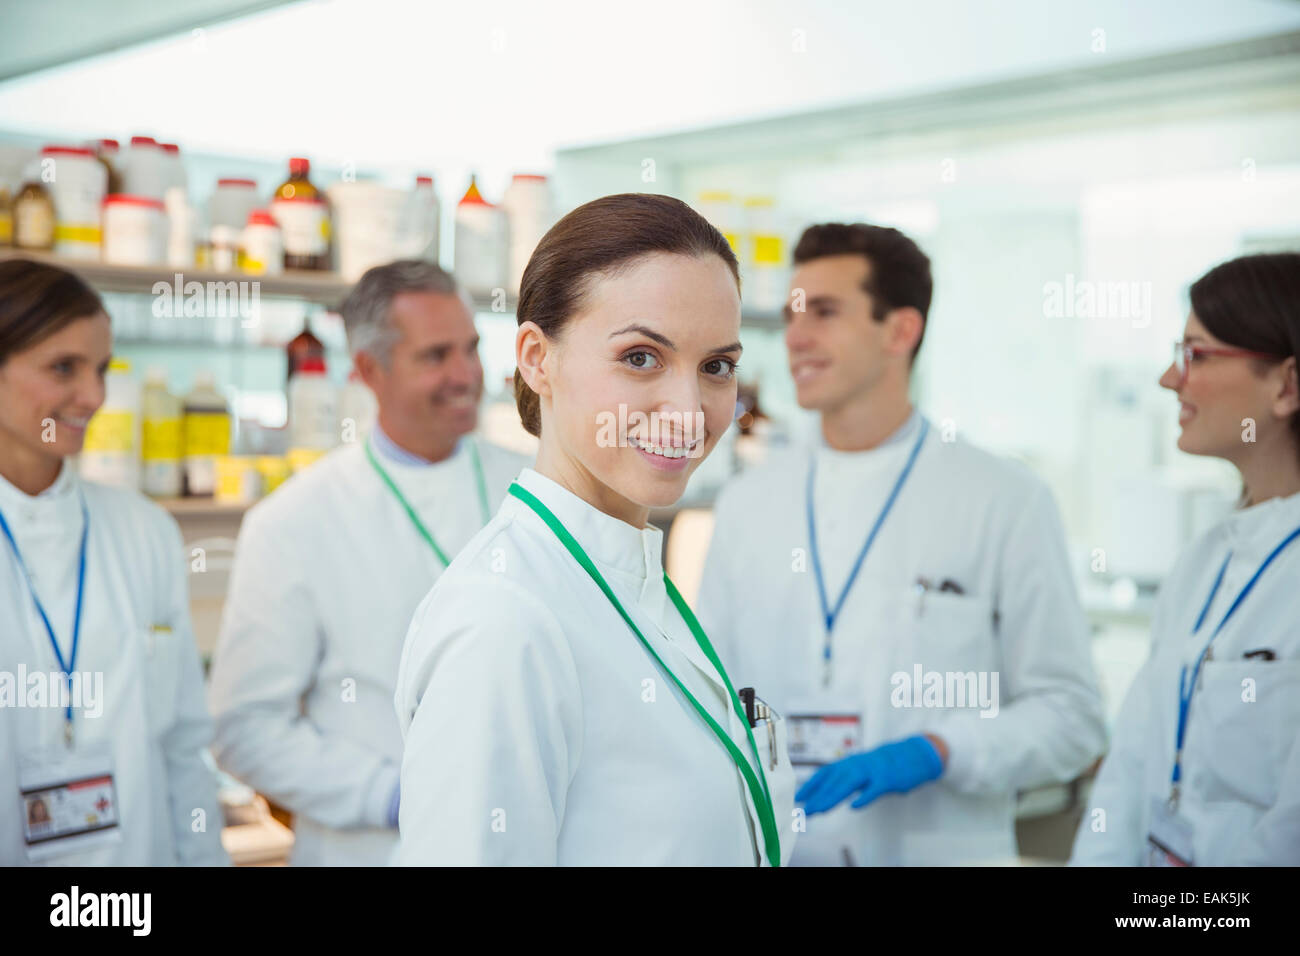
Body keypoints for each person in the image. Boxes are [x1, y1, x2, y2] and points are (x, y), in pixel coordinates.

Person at [393, 194, 796, 866]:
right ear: (535, 358)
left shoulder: (628, 583)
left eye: (716, 366)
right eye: (641, 357)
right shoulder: (506, 622)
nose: (688, 411)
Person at [696, 223, 1106, 865]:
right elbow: (709, 702)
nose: (796, 337)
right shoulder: (748, 504)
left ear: (900, 331)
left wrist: (942, 750)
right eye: (791, 315)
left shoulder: (1003, 498)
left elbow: (1073, 718)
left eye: (825, 313)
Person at [209, 260, 530, 866]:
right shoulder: (295, 521)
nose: (466, 375)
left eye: (470, 348)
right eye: (436, 356)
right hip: (375, 848)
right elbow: (244, 729)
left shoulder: (535, 487)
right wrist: (394, 797)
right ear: (368, 371)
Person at [1072, 252, 1300, 866]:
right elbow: (1131, 767)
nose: (1170, 379)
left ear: (1286, 385)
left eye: (1195, 355)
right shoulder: (1203, 560)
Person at [0, 259, 226, 865]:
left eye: (100, 369)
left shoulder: (142, 530)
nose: (95, 396)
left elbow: (183, 748)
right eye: (63, 368)